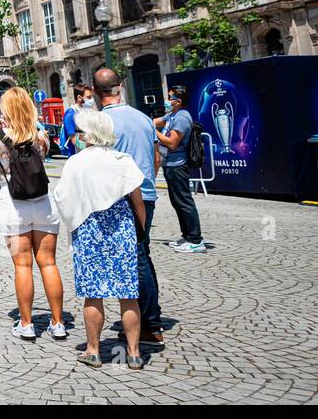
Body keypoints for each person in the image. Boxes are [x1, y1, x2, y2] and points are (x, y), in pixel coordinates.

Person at [51, 109, 145, 370]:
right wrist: (141, 231)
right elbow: (138, 202)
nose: (76, 137)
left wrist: (78, 213)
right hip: (121, 229)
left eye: (79, 132)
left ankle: (93, 350)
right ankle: (134, 353)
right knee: (128, 295)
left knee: (93, 295)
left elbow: (62, 198)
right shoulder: (122, 160)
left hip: (89, 229)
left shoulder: (76, 162)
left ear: (89, 135)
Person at [0, 87, 65, 341]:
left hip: (13, 204)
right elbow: (46, 153)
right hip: (43, 203)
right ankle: (58, 322)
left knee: (23, 265)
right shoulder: (39, 135)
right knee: (49, 263)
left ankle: (27, 323)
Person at [95, 68, 164, 346]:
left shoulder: (101, 122)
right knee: (142, 254)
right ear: (120, 87)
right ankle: (150, 317)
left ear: (97, 92)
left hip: (119, 198)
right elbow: (157, 156)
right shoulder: (144, 118)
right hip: (146, 194)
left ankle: (150, 324)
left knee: (135, 259)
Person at [155, 85, 205, 253]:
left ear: (179, 101)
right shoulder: (173, 114)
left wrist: (154, 133)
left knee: (184, 202)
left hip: (178, 166)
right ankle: (186, 236)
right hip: (169, 165)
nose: (167, 101)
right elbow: (156, 121)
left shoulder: (182, 117)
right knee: (177, 202)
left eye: (170, 98)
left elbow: (172, 143)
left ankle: (196, 239)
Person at [61, 86, 87, 158]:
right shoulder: (70, 113)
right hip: (76, 155)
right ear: (79, 97)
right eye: (88, 96)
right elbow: (74, 139)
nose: (91, 99)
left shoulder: (83, 111)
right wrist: (89, 146)